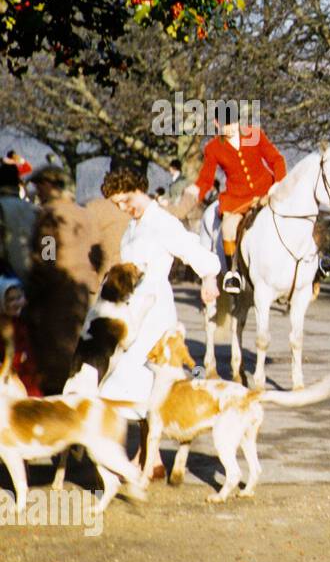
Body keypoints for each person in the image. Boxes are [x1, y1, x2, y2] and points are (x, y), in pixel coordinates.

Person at [97, 168, 220, 413]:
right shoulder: (133, 225)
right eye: (117, 204)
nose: (123, 208)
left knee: (145, 378)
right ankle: (145, 449)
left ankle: (147, 448)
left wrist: (209, 277)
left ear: (139, 190)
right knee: (128, 379)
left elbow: (190, 249)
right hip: (133, 310)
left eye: (125, 200)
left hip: (155, 312)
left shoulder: (161, 222)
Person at [184, 118, 286, 293]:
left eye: (233, 124)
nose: (230, 128)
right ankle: (234, 274)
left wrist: (278, 182)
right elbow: (206, 179)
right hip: (238, 198)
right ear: (217, 124)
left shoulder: (255, 135)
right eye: (225, 125)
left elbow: (276, 159)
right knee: (228, 227)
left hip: (266, 191)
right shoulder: (213, 147)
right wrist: (195, 191)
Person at [25, 165, 101, 395]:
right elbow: (98, 252)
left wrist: (34, 289)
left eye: (39, 185)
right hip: (83, 292)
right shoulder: (84, 213)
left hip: (56, 294)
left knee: (53, 357)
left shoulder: (50, 216)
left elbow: (47, 256)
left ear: (49, 185)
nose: (37, 191)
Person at [0, 276, 42, 395]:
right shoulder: (4, 326)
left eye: (19, 298)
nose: (16, 303)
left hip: (26, 378)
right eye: (11, 299)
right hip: (8, 381)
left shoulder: (21, 323)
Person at [0, 162, 38, 282]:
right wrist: (48, 265)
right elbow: (49, 240)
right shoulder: (36, 210)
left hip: (6, 283)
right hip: (33, 281)